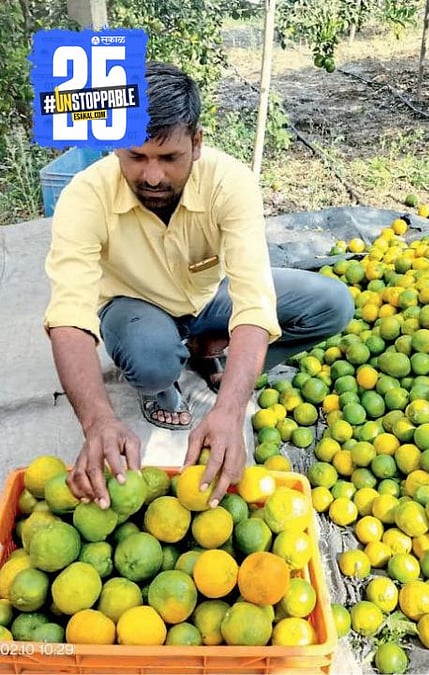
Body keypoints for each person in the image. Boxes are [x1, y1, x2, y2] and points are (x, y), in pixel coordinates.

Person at [44, 62, 353, 509]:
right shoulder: (85, 196)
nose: (152, 177)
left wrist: (229, 410)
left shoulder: (230, 183)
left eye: (169, 158)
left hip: (207, 297)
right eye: (136, 157)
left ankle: (209, 352)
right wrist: (98, 422)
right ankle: (165, 378)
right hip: (134, 305)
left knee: (332, 303)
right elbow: (69, 317)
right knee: (152, 360)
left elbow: (253, 300)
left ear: (196, 143)